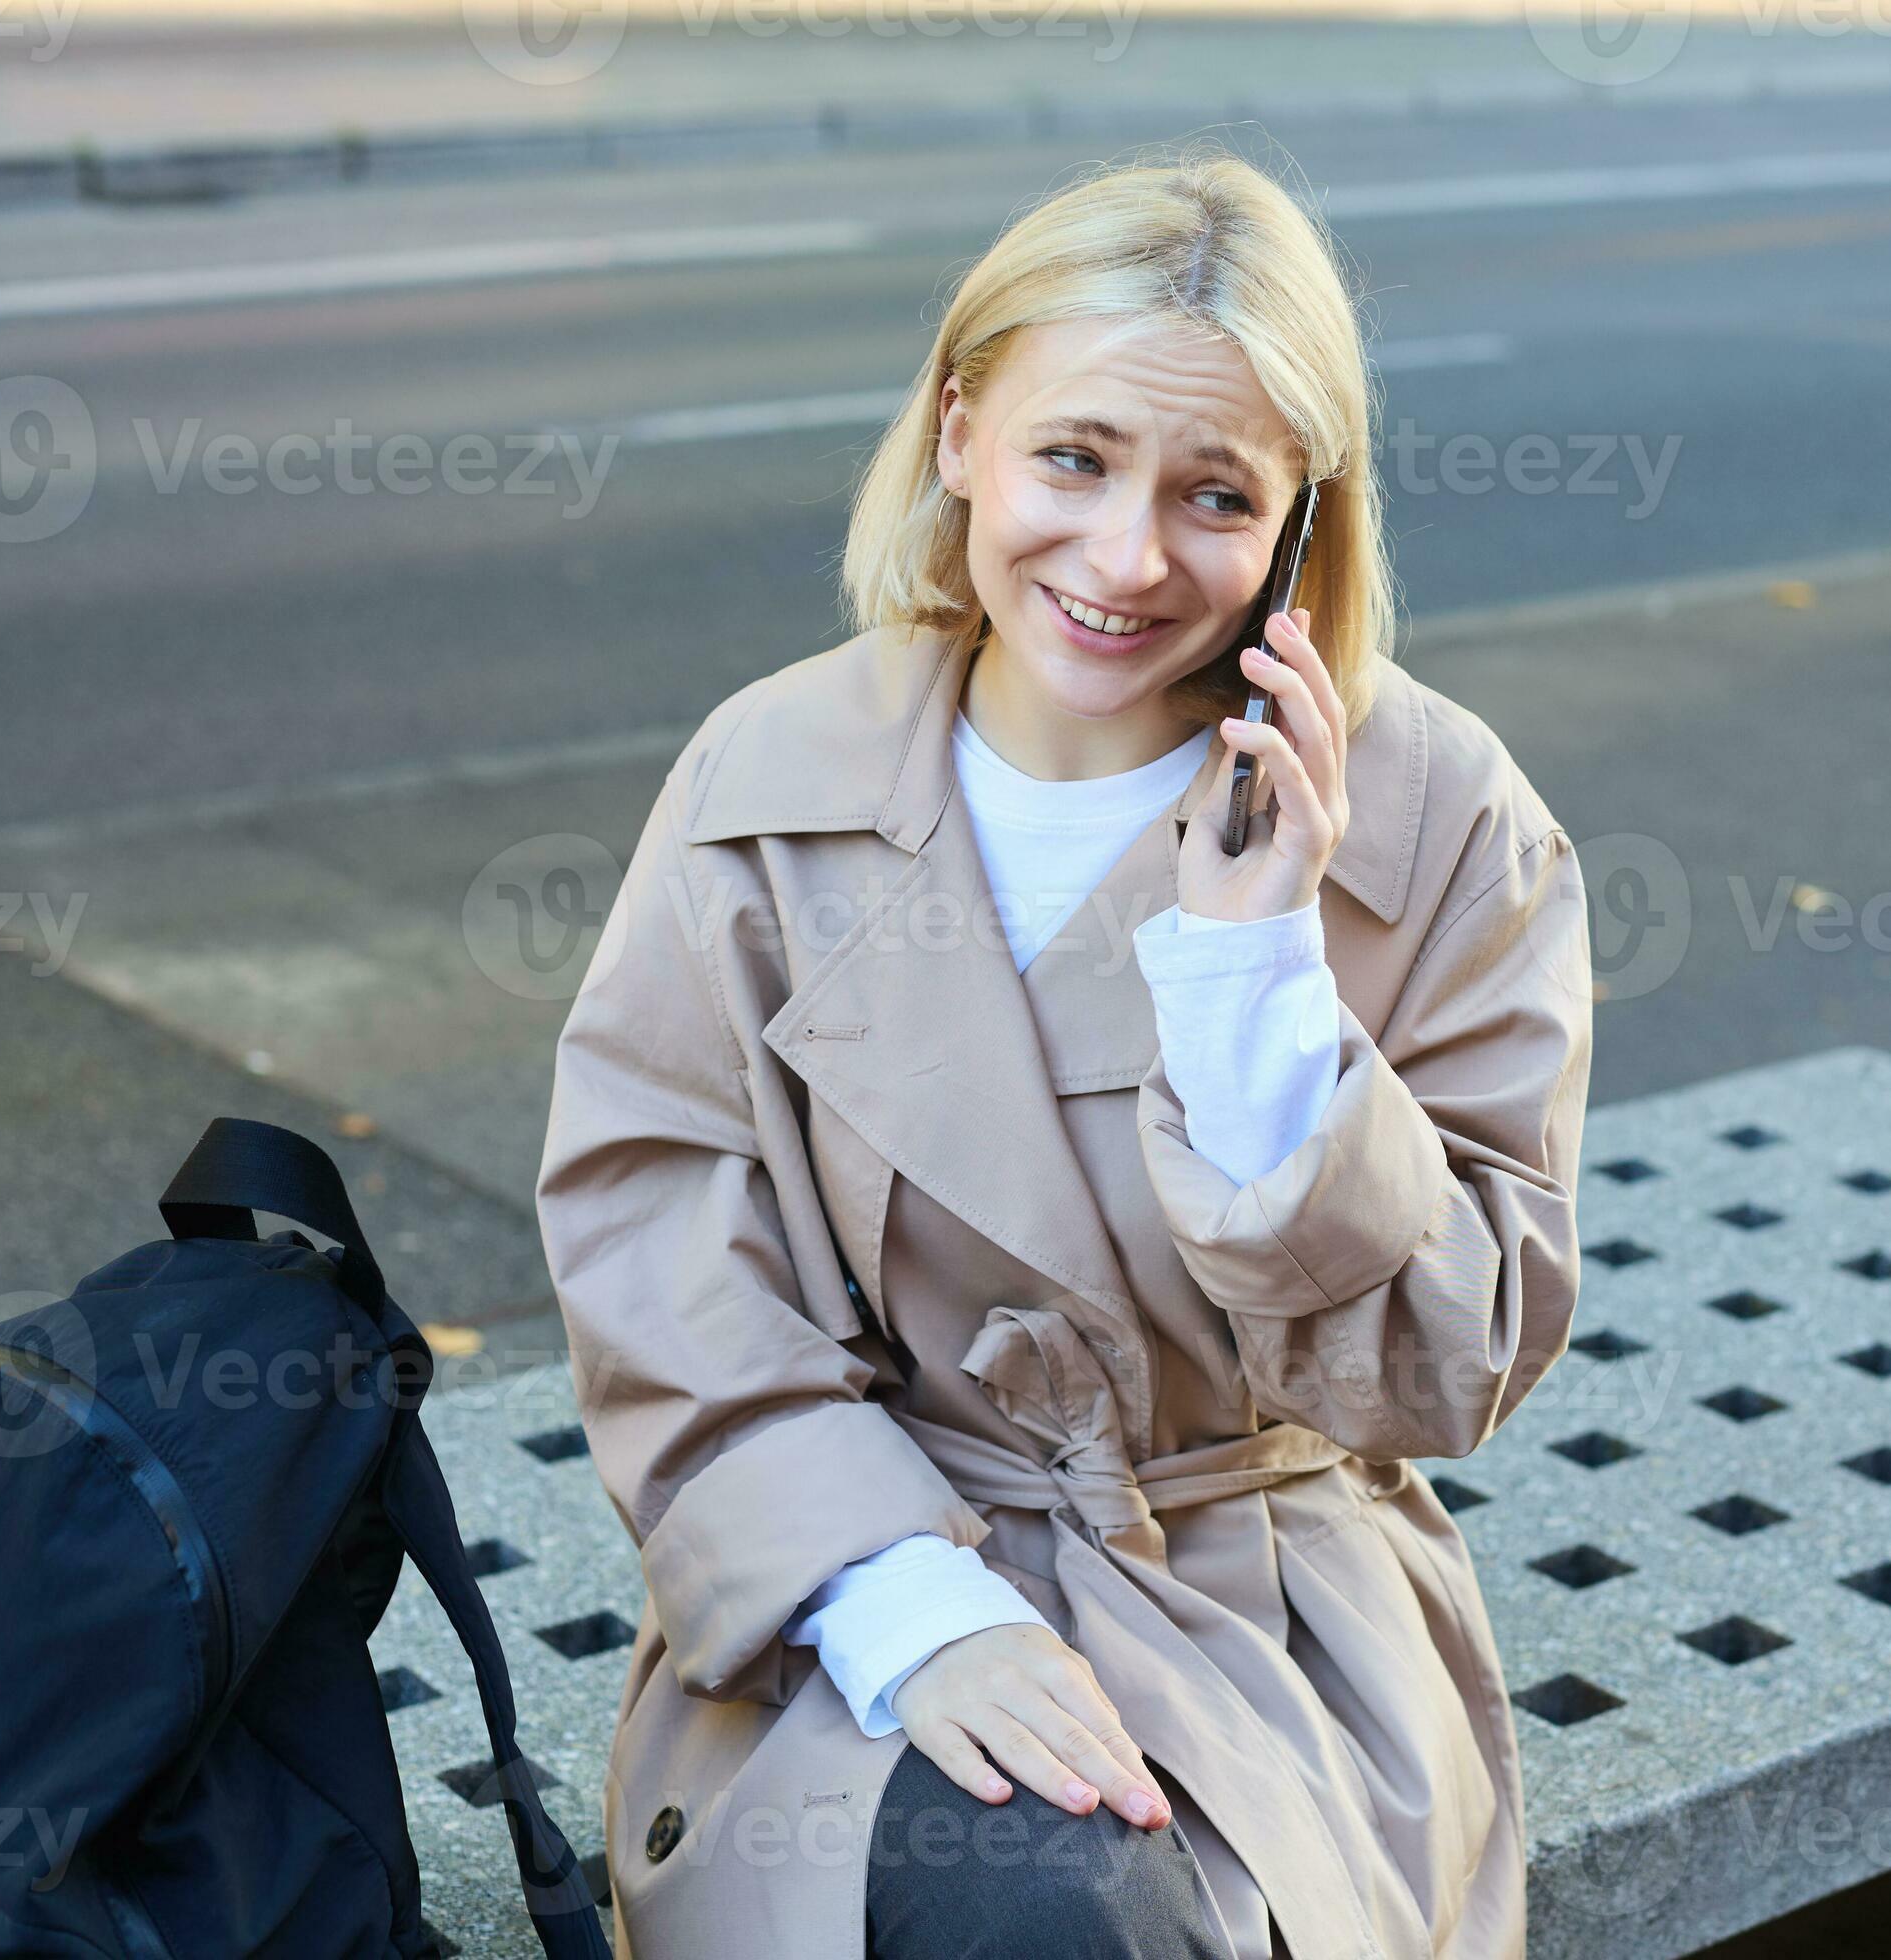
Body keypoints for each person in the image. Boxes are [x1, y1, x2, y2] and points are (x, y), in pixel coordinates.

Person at [535, 141, 1595, 1960]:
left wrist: (1257, 978)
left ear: (1300, 523)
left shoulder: (1436, 820)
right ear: (958, 433)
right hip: (858, 1565)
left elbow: (1447, 1373)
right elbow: (660, 1254)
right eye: (1074, 458)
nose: (1125, 559)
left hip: (1265, 1603)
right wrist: (900, 1607)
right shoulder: (768, 778)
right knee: (1015, 1913)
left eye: (1214, 495)